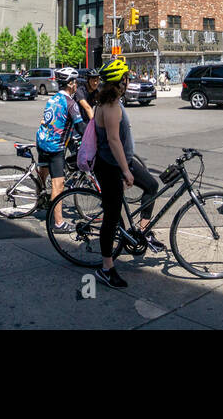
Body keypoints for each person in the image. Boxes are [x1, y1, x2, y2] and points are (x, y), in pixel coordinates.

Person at [90, 57, 163, 289]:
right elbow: (113, 140)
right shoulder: (110, 107)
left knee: (152, 186)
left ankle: (142, 231)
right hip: (111, 166)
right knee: (111, 217)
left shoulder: (112, 103)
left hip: (120, 162)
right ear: (119, 81)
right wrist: (125, 171)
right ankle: (106, 268)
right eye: (126, 78)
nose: (128, 81)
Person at [34, 67, 88, 227]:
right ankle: (58, 223)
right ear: (70, 84)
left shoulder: (53, 98)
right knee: (59, 185)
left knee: (43, 174)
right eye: (75, 81)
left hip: (42, 141)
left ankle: (40, 199)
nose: (77, 84)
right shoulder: (71, 103)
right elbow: (80, 128)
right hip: (55, 147)